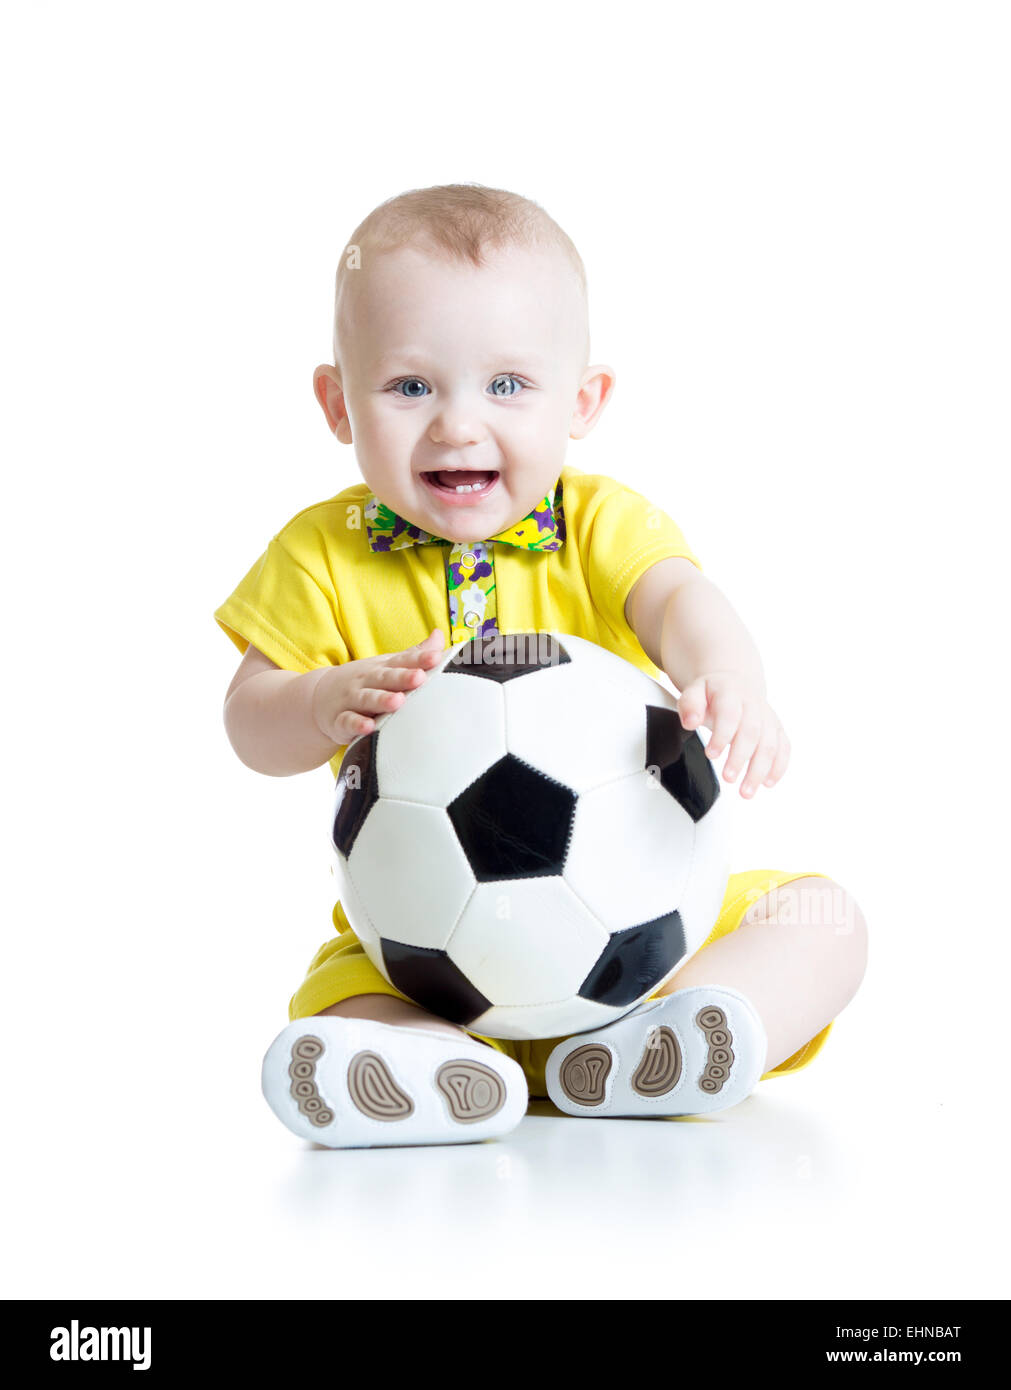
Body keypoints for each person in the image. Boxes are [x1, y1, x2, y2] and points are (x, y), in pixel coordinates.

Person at [214, 183, 868, 1148]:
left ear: (583, 402)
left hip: (648, 950)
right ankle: (428, 1067)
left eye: (507, 386)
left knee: (825, 920)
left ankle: (683, 1033)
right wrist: (314, 701)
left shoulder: (597, 524)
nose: (457, 425)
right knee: (338, 999)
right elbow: (248, 721)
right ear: (336, 403)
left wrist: (727, 674)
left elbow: (678, 598)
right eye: (409, 387)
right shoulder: (323, 554)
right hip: (422, 959)